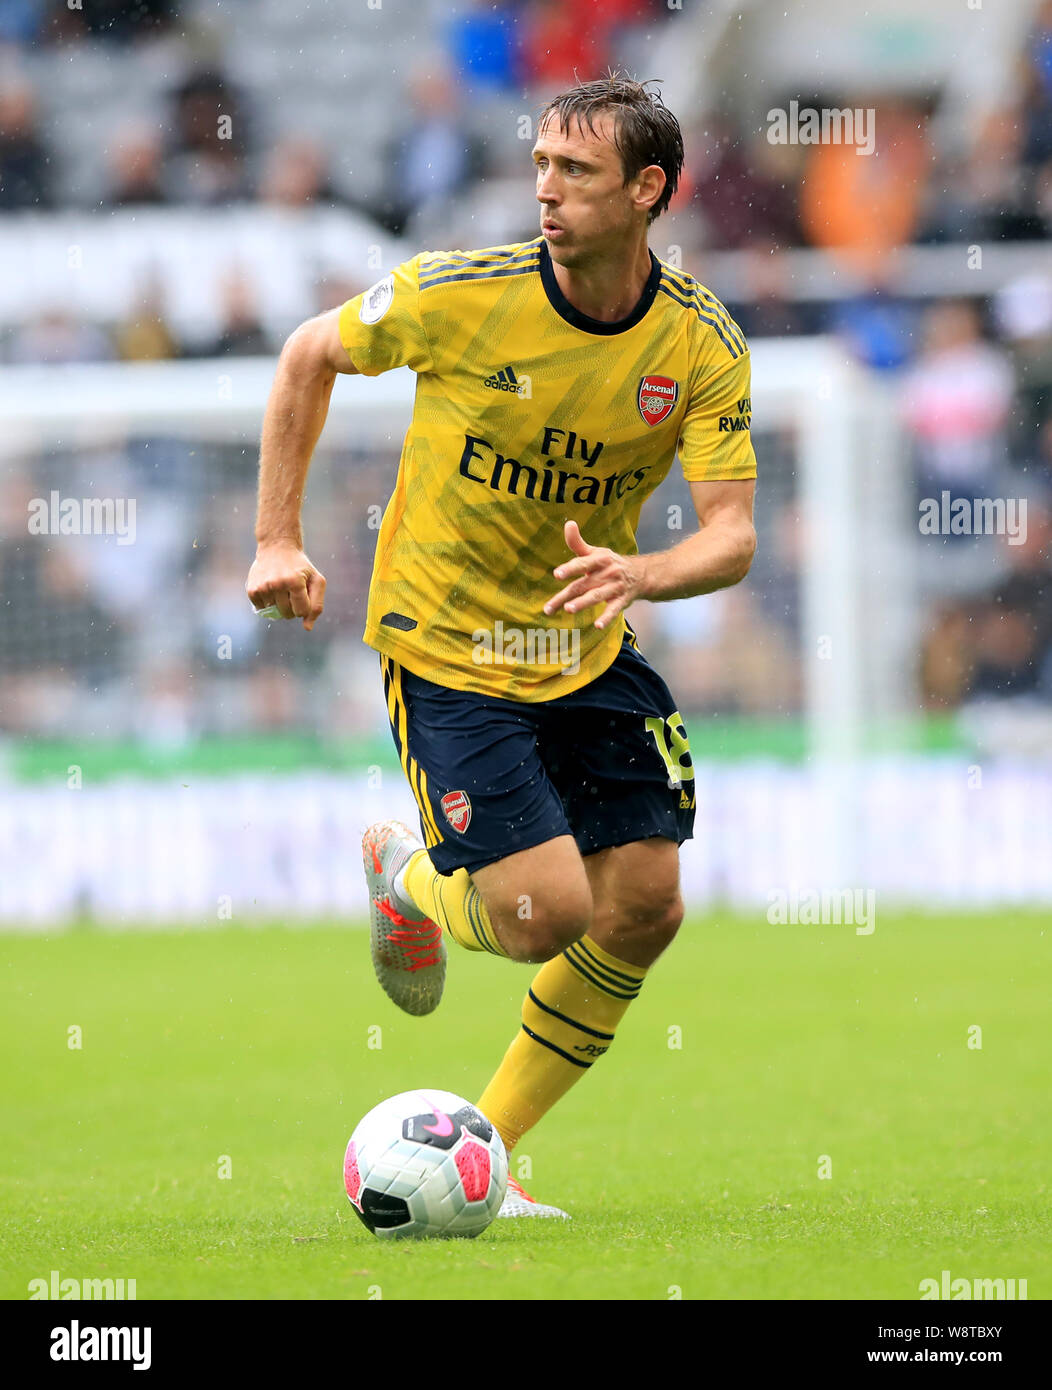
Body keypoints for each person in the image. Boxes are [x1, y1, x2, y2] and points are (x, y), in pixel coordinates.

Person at [246, 74, 757, 1219]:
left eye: (575, 173)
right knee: (544, 916)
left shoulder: (699, 342)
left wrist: (644, 572)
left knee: (644, 905)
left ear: (647, 189)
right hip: (449, 644)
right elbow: (304, 357)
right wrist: (275, 537)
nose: (545, 191)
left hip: (582, 640)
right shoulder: (457, 293)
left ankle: (493, 1158)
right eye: (539, 167)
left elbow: (728, 537)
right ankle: (406, 872)